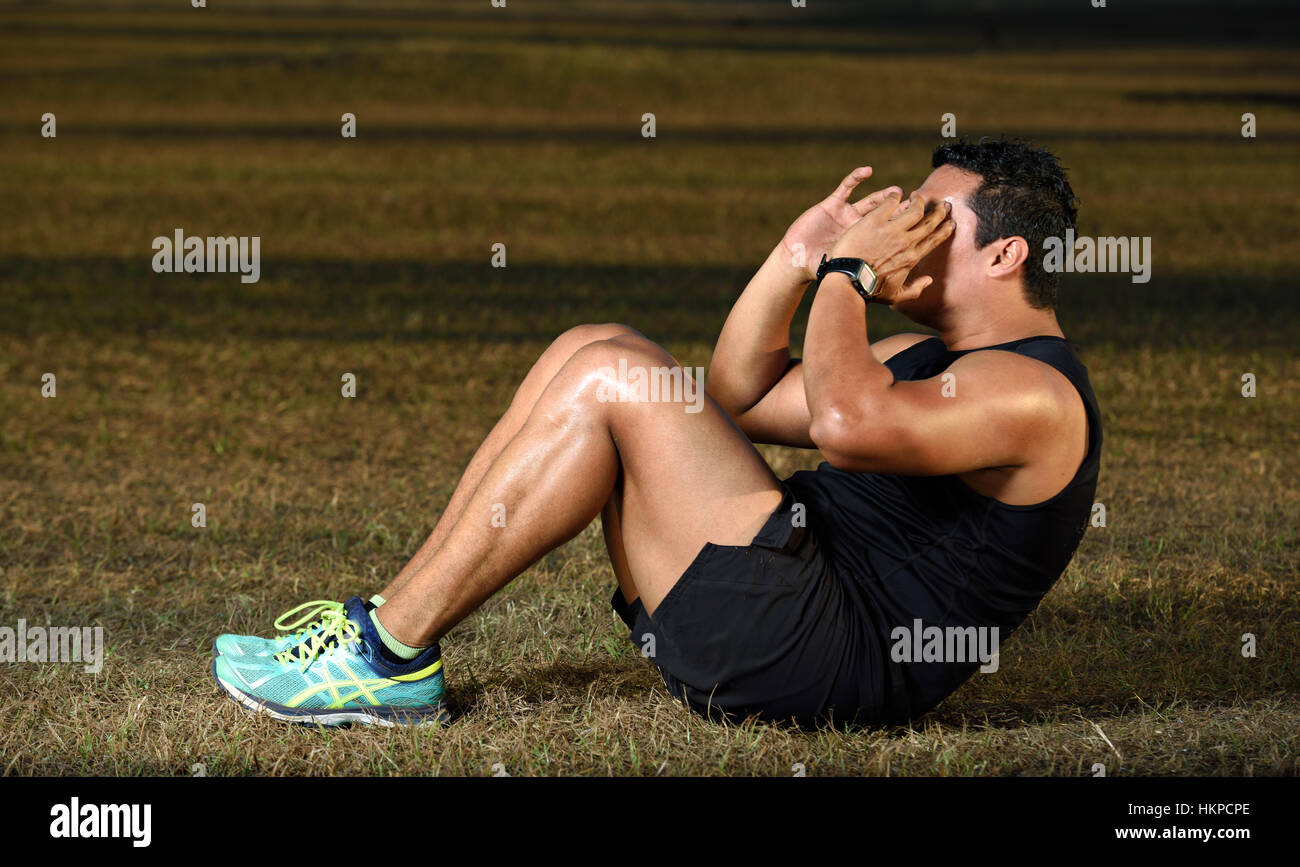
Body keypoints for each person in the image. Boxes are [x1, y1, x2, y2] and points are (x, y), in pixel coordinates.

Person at [210, 138, 1100, 729]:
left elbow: (843, 424)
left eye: (935, 220)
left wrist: (850, 275)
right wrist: (798, 258)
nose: (906, 229)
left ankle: (387, 659)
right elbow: (739, 397)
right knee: (593, 347)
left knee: (619, 373)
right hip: (770, 609)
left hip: (821, 661)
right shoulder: (920, 356)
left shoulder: (1037, 394)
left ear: (1006, 255)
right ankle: (384, 634)